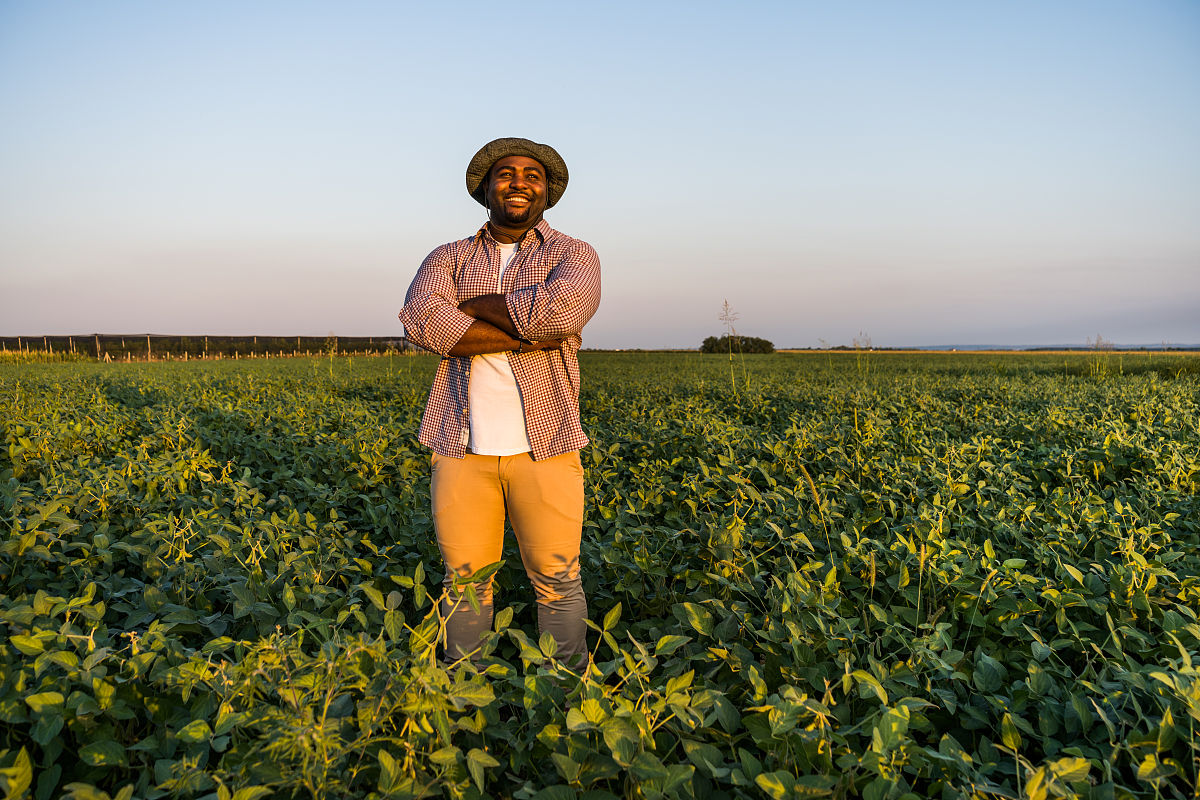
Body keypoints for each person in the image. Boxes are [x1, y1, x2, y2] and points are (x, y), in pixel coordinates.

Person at [399, 138, 601, 668]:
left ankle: (564, 694)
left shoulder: (573, 254)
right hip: (460, 446)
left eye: (532, 175)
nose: (518, 183)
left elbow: (562, 314)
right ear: (485, 188)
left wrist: (468, 313)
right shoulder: (448, 257)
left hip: (549, 444)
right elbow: (422, 322)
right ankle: (466, 698)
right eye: (505, 174)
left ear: (547, 191)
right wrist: (529, 329)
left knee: (558, 579)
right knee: (465, 582)